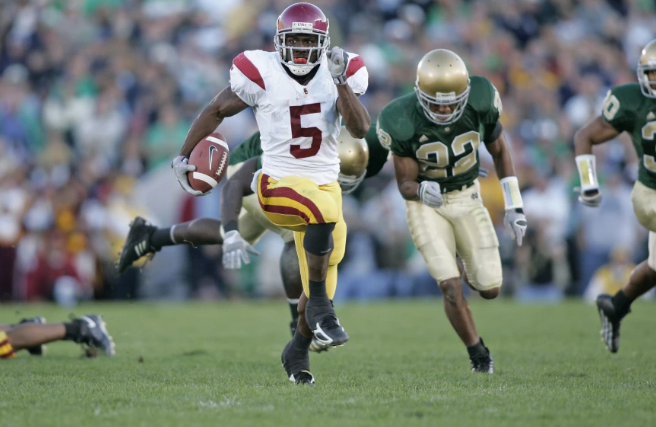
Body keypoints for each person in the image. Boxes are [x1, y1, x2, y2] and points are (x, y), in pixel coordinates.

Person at [165, 3, 370, 385]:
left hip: (324, 184)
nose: (302, 49)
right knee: (323, 217)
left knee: (321, 270)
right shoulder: (262, 71)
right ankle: (324, 312)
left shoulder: (341, 69)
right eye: (295, 40)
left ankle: (297, 349)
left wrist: (340, 81)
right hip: (276, 185)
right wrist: (182, 152)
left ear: (324, 43)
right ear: (279, 41)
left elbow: (359, 129)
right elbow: (216, 110)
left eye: (310, 41)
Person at [118, 125, 388, 351]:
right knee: (295, 229)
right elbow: (236, 184)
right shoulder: (297, 156)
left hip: (269, 172)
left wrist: (232, 230)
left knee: (230, 234)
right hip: (246, 170)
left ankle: (151, 236)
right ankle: (300, 324)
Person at [377, 49, 528, 374]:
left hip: (467, 196)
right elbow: (403, 182)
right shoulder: (401, 118)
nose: (445, 108)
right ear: (419, 94)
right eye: (436, 102)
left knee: (489, 289)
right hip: (426, 205)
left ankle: (461, 254)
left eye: (451, 101)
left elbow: (501, 151)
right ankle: (478, 353)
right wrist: (419, 188)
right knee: (449, 285)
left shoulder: (481, 100)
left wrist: (514, 205)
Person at [573, 39, 656, 353]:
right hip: (650, 193)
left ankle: (616, 305)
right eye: (653, 73)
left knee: (653, 268)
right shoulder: (630, 101)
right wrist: (589, 182)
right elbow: (585, 135)